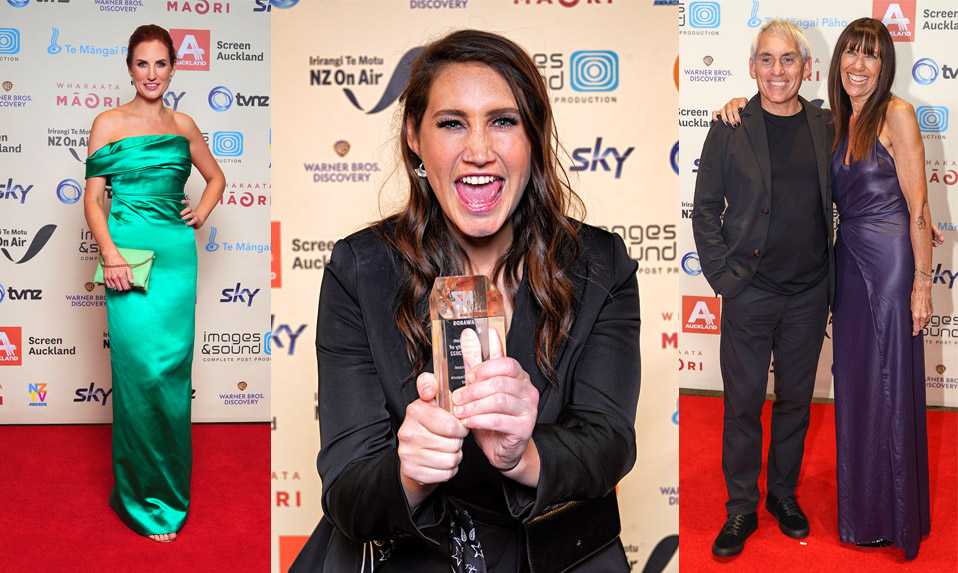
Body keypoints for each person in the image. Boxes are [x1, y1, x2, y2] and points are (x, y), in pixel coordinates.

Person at [291, 30, 641, 572]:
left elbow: (609, 443)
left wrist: (519, 454)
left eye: (503, 121)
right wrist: (409, 471)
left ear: (533, 136)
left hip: (552, 552)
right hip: (409, 553)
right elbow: (346, 493)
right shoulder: (359, 270)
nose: (479, 150)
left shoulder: (599, 264)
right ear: (414, 136)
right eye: (452, 123)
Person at [713, 18, 941, 561]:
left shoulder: (878, 116)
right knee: (843, 390)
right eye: (851, 54)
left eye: (872, 56)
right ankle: (783, 508)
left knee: (864, 388)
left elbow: (917, 206)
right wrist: (734, 105)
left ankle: (866, 509)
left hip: (870, 274)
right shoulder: (829, 120)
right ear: (835, 62)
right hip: (820, 277)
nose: (859, 66)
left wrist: (922, 279)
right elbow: (716, 200)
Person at [692, 20, 833, 558]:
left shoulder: (826, 124)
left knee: (796, 403)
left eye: (788, 59)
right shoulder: (730, 125)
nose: (778, 71)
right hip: (749, 291)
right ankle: (741, 508)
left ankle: (783, 496)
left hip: (809, 293)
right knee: (744, 405)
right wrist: (723, 278)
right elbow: (705, 211)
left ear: (805, 66)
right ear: (752, 67)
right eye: (767, 60)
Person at [83, 24, 225, 543]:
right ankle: (138, 499)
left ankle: (169, 495)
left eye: (160, 63)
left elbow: (216, 178)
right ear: (129, 67)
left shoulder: (184, 124)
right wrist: (111, 253)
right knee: (139, 376)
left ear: (172, 67)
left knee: (168, 378)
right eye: (142, 64)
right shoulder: (109, 123)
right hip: (127, 258)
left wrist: (200, 213)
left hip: (175, 261)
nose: (151, 74)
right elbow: (93, 199)